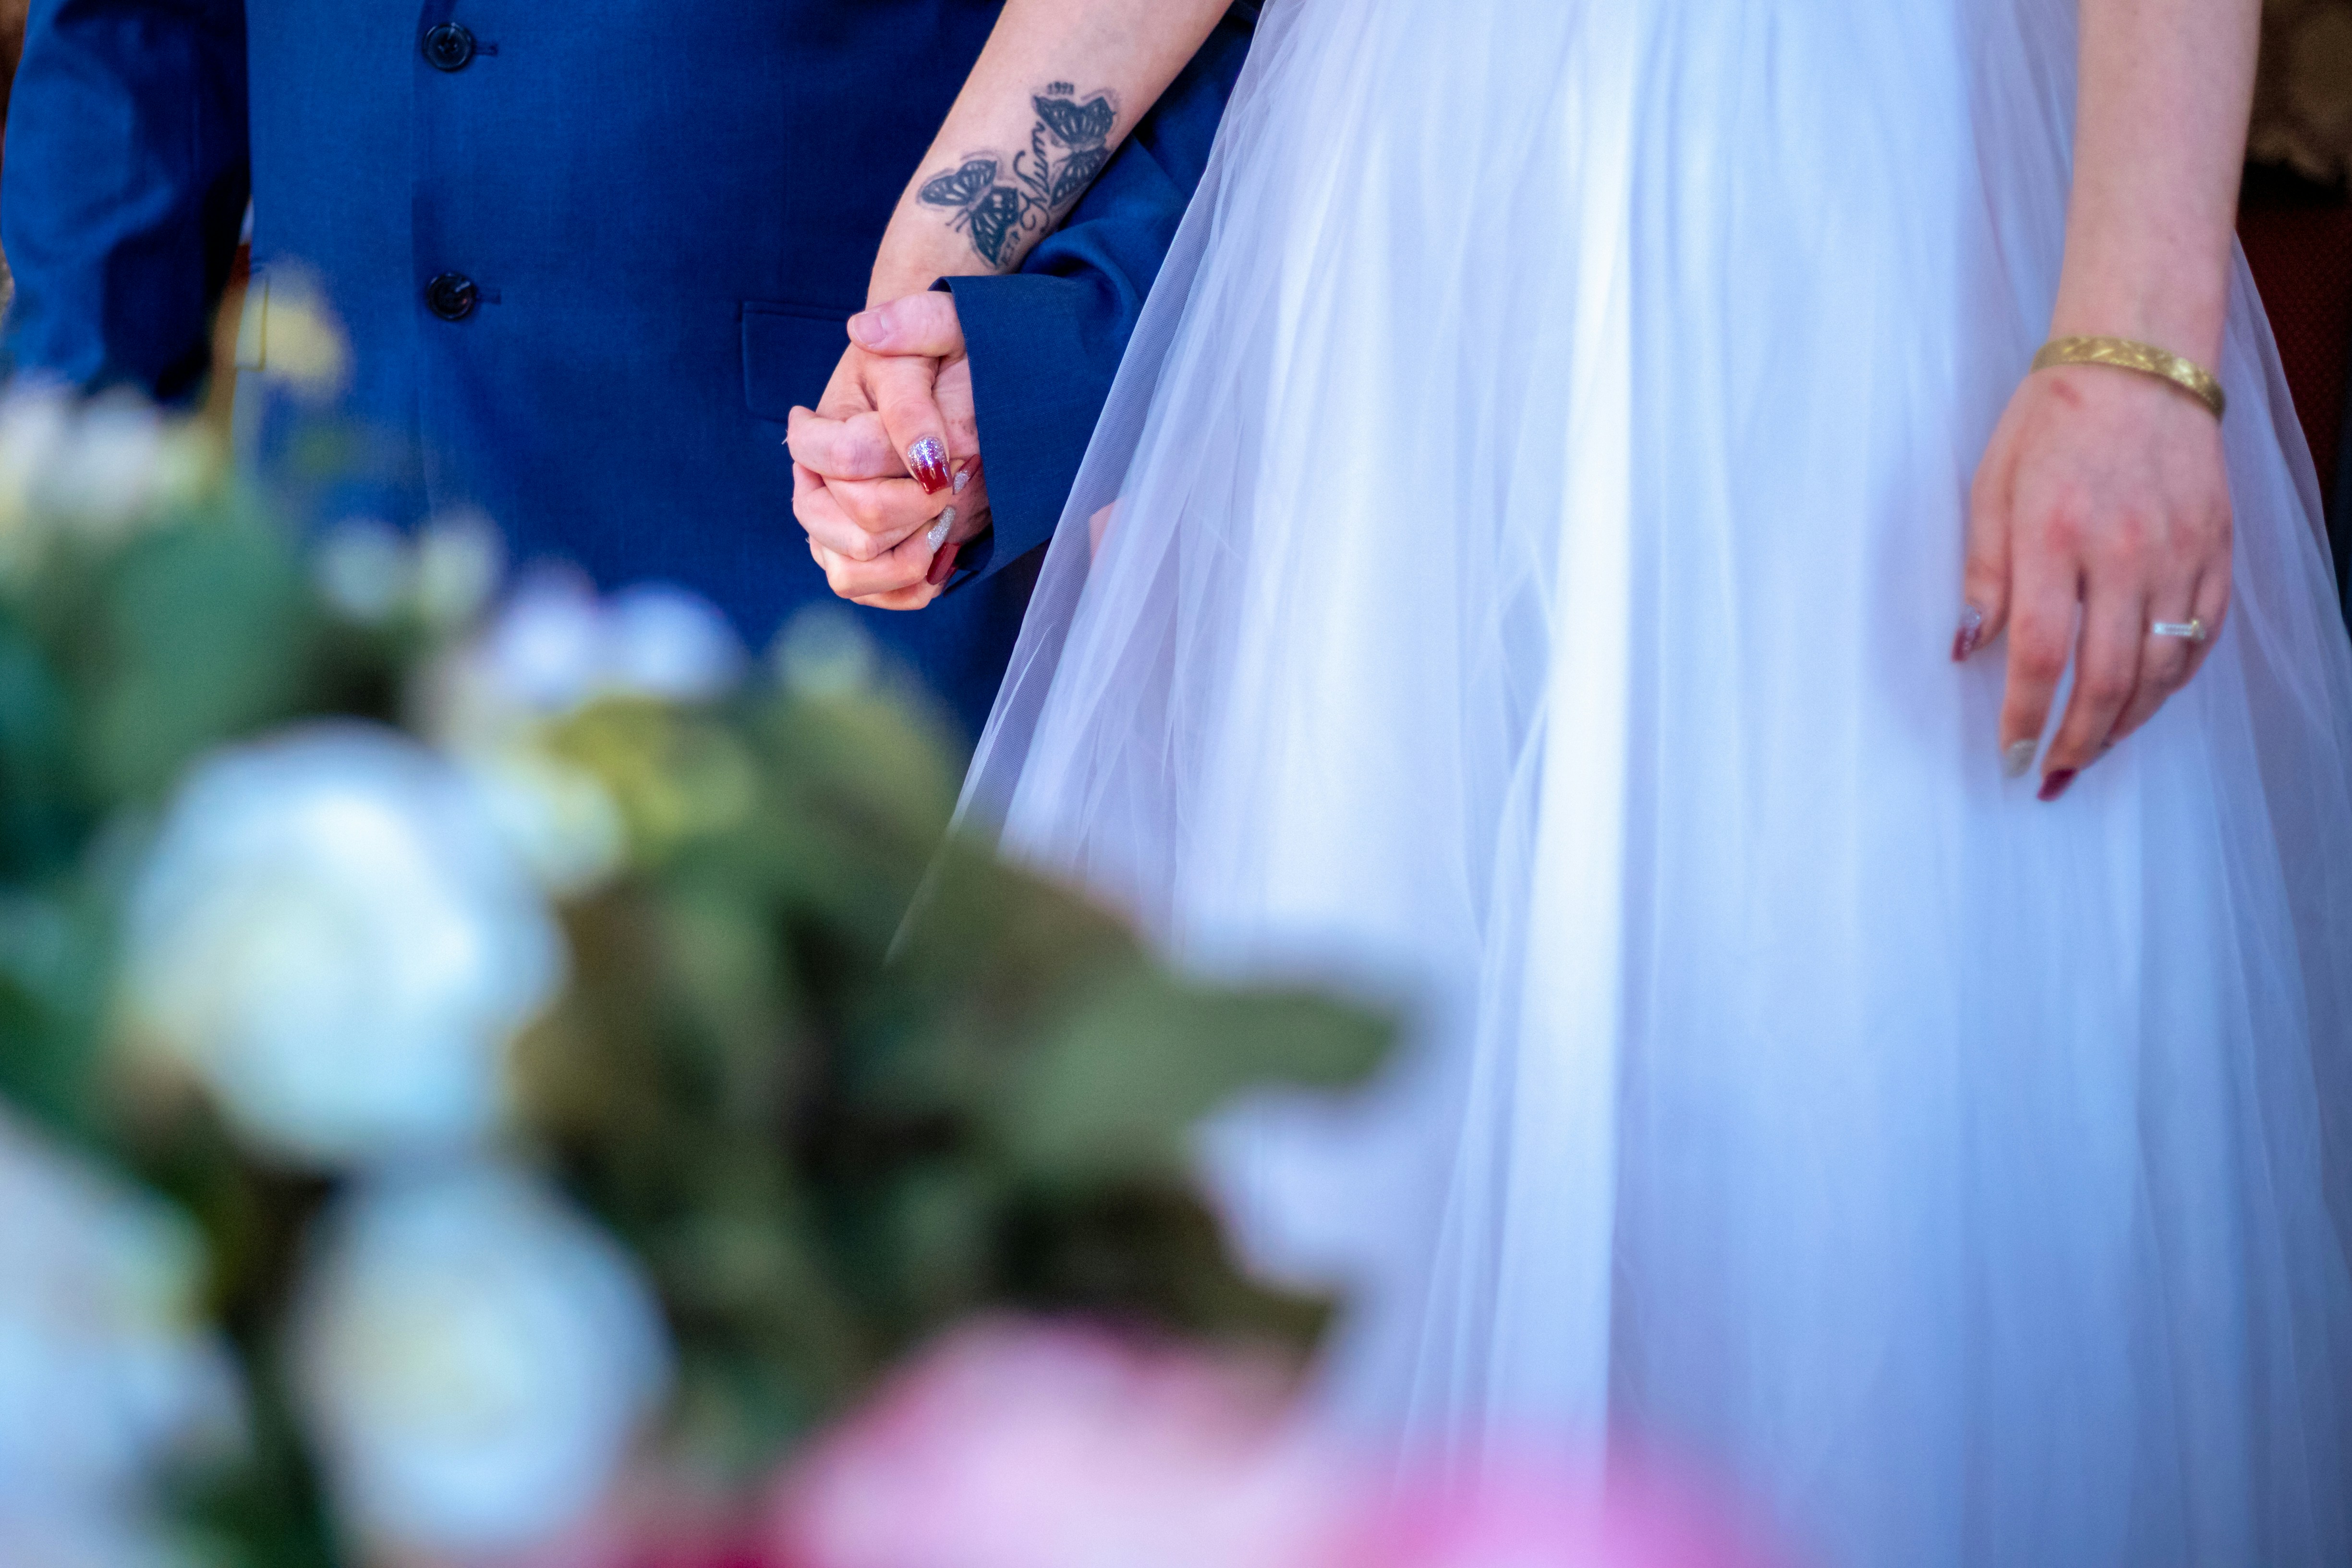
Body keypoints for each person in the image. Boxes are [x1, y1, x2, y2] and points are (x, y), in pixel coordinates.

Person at [819, 0, 2352, 1562]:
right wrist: (922, 299)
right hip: (1406, 250)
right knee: (1365, 1071)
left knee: (1835, 1059)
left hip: (1851, 215)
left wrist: (2133, 355)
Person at [0, 0, 1253, 738]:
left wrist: (1034, 359)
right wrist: (50, 513)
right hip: (326, 565)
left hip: (823, 569)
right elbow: (130, 36)